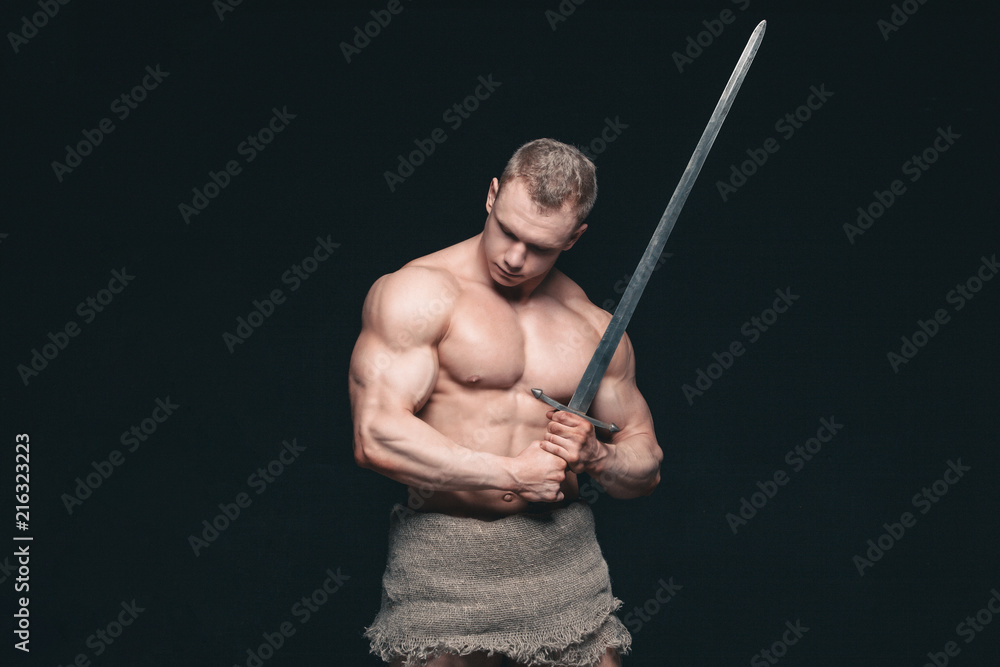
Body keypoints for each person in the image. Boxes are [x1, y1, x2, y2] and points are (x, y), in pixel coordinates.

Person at [349, 138, 662, 667]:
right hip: (444, 561)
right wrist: (512, 474)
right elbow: (375, 435)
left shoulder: (592, 325)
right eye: (509, 233)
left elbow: (646, 466)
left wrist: (599, 458)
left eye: (539, 246)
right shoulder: (419, 294)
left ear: (575, 237)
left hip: (562, 561)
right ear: (492, 196)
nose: (515, 258)